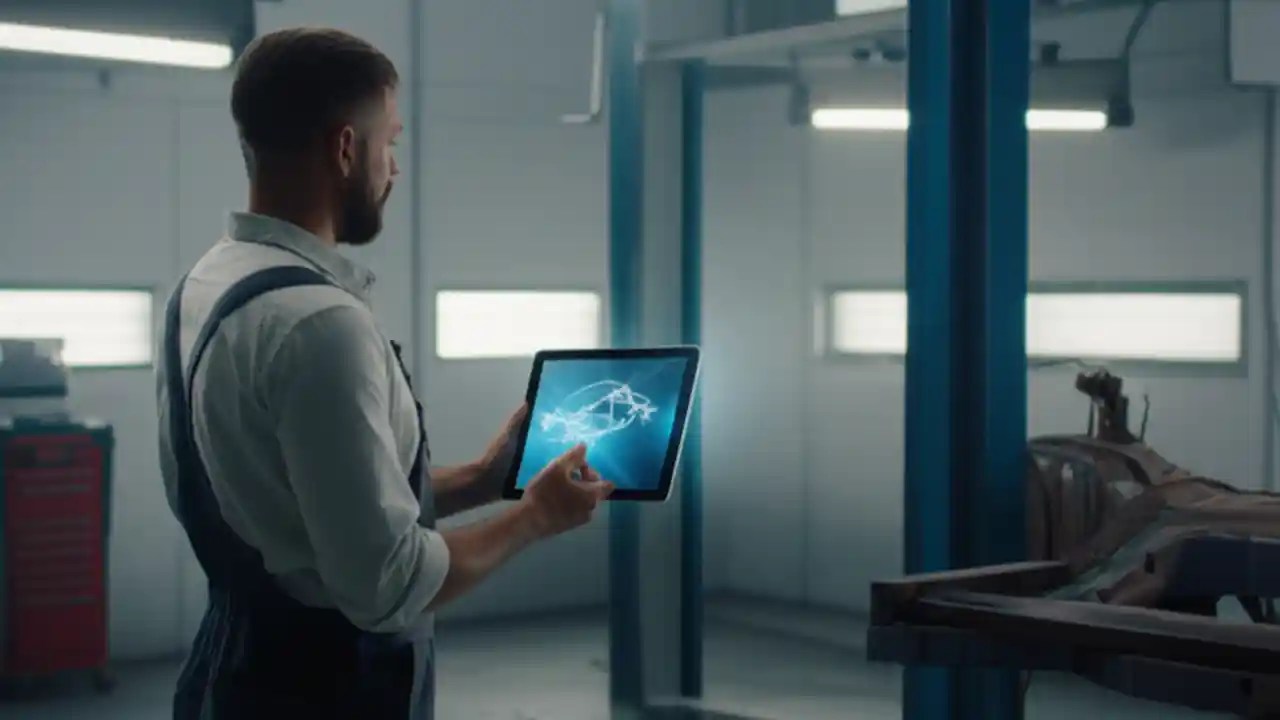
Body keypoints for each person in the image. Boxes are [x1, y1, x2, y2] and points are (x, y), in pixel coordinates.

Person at [155, 27, 614, 720]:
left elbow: (308, 510)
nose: (393, 168)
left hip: (231, 673)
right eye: (389, 143)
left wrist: (482, 478)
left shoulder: (201, 286)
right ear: (346, 149)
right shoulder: (319, 325)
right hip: (327, 692)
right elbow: (387, 583)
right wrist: (535, 517)